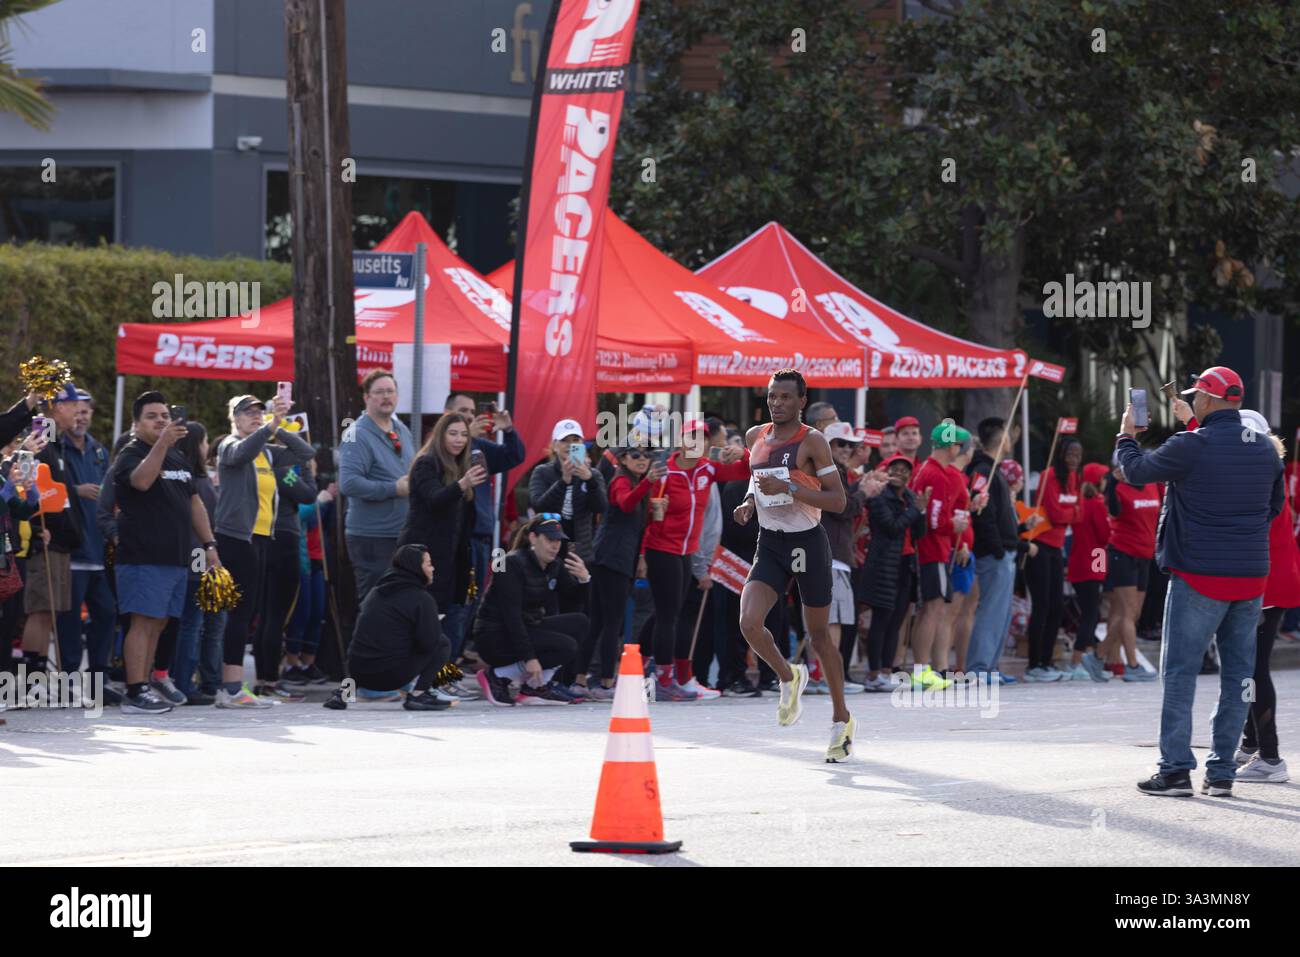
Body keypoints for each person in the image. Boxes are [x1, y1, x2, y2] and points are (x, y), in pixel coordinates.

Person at [1115, 366, 1283, 797]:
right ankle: (1222, 772)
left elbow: (1135, 472)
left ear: (1206, 401)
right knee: (1239, 678)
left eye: (1197, 397)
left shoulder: (1192, 444)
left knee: (1180, 673)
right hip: (1250, 579)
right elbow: (1273, 507)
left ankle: (1174, 771)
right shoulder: (1264, 449)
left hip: (1198, 576)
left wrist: (1126, 436)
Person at [734, 370, 854, 762]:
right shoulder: (756, 436)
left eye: (786, 396)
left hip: (807, 542)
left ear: (802, 401)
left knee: (819, 637)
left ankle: (841, 720)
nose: (777, 402)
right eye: (772, 395)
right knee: (749, 623)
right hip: (770, 542)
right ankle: (789, 676)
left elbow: (838, 502)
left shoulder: (813, 441)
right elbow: (757, 479)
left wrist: (788, 488)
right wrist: (750, 503)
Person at [110, 392, 223, 714]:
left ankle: (145, 684)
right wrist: (161, 444)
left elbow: (194, 503)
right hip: (143, 556)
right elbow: (141, 482)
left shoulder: (176, 457)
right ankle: (134, 691)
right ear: (135, 424)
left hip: (175, 557)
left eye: (164, 415)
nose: (161, 420)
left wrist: (209, 544)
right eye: (151, 416)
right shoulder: (131, 454)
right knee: (142, 622)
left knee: (159, 622)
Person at [214, 393, 314, 708]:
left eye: (259, 411)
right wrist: (268, 427)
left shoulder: (267, 451)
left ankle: (234, 686)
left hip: (261, 537)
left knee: (249, 613)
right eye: (247, 412)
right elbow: (239, 453)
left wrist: (279, 428)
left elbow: (305, 451)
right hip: (235, 537)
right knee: (238, 614)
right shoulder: (229, 444)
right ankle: (229, 687)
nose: (255, 416)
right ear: (234, 418)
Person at [642, 418, 749, 700]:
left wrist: (744, 453)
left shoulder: (708, 469)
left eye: (701, 438)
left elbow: (747, 470)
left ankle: (677, 676)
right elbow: (643, 513)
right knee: (668, 616)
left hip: (686, 552)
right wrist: (643, 550)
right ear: (680, 441)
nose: (695, 443)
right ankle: (663, 679)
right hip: (661, 548)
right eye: (690, 437)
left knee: (677, 615)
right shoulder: (665, 472)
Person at [397, 412, 486, 688]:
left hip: (451, 558)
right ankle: (414, 681)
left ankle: (440, 678)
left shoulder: (462, 467)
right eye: (453, 433)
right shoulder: (426, 464)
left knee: (449, 619)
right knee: (423, 620)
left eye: (463, 434)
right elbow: (435, 500)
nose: (459, 440)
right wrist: (463, 485)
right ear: (440, 435)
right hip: (422, 556)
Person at [1235, 411, 1299, 783]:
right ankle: (1251, 743)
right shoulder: (1269, 467)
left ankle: (1271, 757)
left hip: (1266, 585)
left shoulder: (1258, 475)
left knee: (1254, 669)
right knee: (1247, 667)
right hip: (1273, 580)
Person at [471, 515, 592, 706]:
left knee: (580, 622)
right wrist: (530, 658)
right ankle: (496, 676)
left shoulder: (554, 565)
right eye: (550, 539)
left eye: (558, 541)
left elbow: (575, 601)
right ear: (533, 538)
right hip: (493, 636)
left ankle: (536, 686)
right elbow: (511, 616)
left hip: (527, 627)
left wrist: (585, 580)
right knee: (566, 646)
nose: (555, 546)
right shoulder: (509, 563)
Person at [440, 395, 525, 658]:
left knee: (472, 603)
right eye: (462, 411)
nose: (468, 416)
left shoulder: (480, 448)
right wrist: (468, 440)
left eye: (471, 411)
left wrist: (508, 430)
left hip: (482, 540)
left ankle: (450, 669)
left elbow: (515, 456)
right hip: (458, 541)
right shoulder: (442, 449)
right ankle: (441, 672)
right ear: (447, 414)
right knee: (457, 605)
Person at [585, 444, 662, 700]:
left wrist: (641, 556)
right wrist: (646, 484)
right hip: (610, 559)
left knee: (602, 622)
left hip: (619, 558)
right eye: (636, 455)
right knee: (610, 622)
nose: (643, 460)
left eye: (647, 456)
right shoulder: (620, 480)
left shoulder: (637, 481)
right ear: (623, 459)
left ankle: (583, 677)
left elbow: (639, 524)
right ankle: (605, 680)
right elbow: (625, 504)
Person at [18, 384, 83, 678]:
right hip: (43, 540)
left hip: (60, 541)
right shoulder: (40, 437)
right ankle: (29, 683)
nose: (78, 413)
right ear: (56, 406)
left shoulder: (56, 443)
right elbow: (24, 485)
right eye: (72, 405)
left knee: (50, 613)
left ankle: (39, 679)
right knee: (40, 610)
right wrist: (32, 528)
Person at [344, 545, 455, 712]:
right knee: (442, 642)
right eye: (428, 563)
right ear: (416, 568)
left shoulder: (376, 591)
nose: (432, 568)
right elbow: (428, 643)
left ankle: (341, 693)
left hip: (357, 672)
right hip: (390, 678)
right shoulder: (421, 598)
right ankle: (419, 695)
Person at [54, 389, 115, 691]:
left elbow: (110, 492)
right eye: (76, 409)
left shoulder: (100, 451)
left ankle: (98, 679)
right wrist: (75, 491)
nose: (82, 415)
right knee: (68, 620)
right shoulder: (55, 448)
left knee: (106, 613)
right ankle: (67, 679)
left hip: (97, 548)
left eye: (86, 410)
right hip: (70, 549)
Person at [1081, 462, 1161, 683]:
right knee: (1124, 613)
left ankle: (1098, 656)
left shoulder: (1153, 485)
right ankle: (1131, 665)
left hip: (1144, 556)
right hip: (1120, 555)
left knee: (1130, 614)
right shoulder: (1112, 493)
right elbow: (1108, 521)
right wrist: (1113, 483)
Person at [339, 370, 414, 601]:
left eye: (390, 391)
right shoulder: (355, 434)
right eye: (379, 392)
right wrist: (394, 489)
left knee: (399, 605)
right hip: (371, 537)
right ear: (366, 398)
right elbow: (348, 484)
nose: (386, 397)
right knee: (376, 606)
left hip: (400, 533)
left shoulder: (401, 429)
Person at [965, 418, 1027, 684]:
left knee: (1001, 613)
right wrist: (998, 549)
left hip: (1005, 552)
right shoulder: (982, 470)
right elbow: (983, 514)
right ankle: (979, 667)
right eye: (1009, 435)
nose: (1012, 440)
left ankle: (989, 666)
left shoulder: (995, 470)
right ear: (1001, 438)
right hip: (994, 554)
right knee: (991, 610)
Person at [907, 422, 968, 690]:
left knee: (933, 609)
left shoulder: (929, 471)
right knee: (932, 609)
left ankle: (923, 668)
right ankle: (921, 669)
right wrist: (953, 526)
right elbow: (935, 520)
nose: (960, 449)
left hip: (933, 549)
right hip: (933, 550)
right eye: (958, 444)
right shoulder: (937, 475)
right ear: (951, 446)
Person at [528, 417, 607, 622]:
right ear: (554, 445)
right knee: (547, 604)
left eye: (576, 441)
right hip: (548, 546)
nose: (571, 446)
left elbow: (601, 507)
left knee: (576, 604)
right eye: (565, 441)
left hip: (578, 547)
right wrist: (563, 481)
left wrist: (589, 480)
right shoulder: (542, 472)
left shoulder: (593, 475)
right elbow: (539, 506)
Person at [170, 422, 226, 704]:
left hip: (189, 554)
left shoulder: (183, 478)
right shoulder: (199, 482)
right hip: (199, 556)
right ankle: (185, 681)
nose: (207, 448)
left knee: (191, 622)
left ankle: (184, 679)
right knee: (195, 622)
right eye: (204, 443)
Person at [253, 453, 318, 697]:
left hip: (263, 540)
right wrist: (306, 467)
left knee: (265, 614)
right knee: (276, 616)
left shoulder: (258, 468)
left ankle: (264, 677)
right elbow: (309, 495)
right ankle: (269, 679)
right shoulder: (281, 470)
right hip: (284, 540)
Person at [862, 454, 928, 691]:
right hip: (883, 566)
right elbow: (891, 527)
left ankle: (887, 671)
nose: (900, 474)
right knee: (881, 621)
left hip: (906, 565)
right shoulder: (880, 498)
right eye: (895, 469)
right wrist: (915, 511)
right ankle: (873, 673)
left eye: (905, 471)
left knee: (897, 622)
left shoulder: (911, 498)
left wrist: (920, 512)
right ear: (887, 472)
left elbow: (919, 533)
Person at [1024, 435, 1083, 681]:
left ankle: (1047, 661)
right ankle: (1034, 663)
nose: (1073, 460)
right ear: (1060, 455)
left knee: (1057, 606)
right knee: (1042, 605)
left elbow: (1079, 515)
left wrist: (1071, 512)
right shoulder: (1049, 476)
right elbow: (1057, 513)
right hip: (1040, 545)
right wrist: (1072, 512)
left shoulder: (1075, 478)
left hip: (1057, 547)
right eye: (1070, 455)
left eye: (1078, 456)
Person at [821, 422, 875, 689]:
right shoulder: (828, 470)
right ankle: (831, 678)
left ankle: (826, 677)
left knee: (831, 620)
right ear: (828, 445)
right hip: (831, 554)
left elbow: (842, 502)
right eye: (840, 444)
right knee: (834, 620)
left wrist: (861, 487)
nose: (846, 449)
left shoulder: (834, 471)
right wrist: (865, 492)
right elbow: (842, 508)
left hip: (834, 553)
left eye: (850, 445)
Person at [283, 466, 335, 688]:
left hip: (318, 558)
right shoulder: (289, 477)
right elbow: (299, 514)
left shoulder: (316, 481)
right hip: (301, 558)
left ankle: (308, 663)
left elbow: (318, 522)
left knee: (316, 612)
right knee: (301, 612)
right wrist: (321, 501)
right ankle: (291, 664)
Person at [1062, 462, 1111, 680]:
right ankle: (1076, 660)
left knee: (1090, 612)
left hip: (1079, 562)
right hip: (1095, 560)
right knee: (1091, 615)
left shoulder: (1079, 503)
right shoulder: (1097, 504)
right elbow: (1104, 535)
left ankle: (1087, 658)